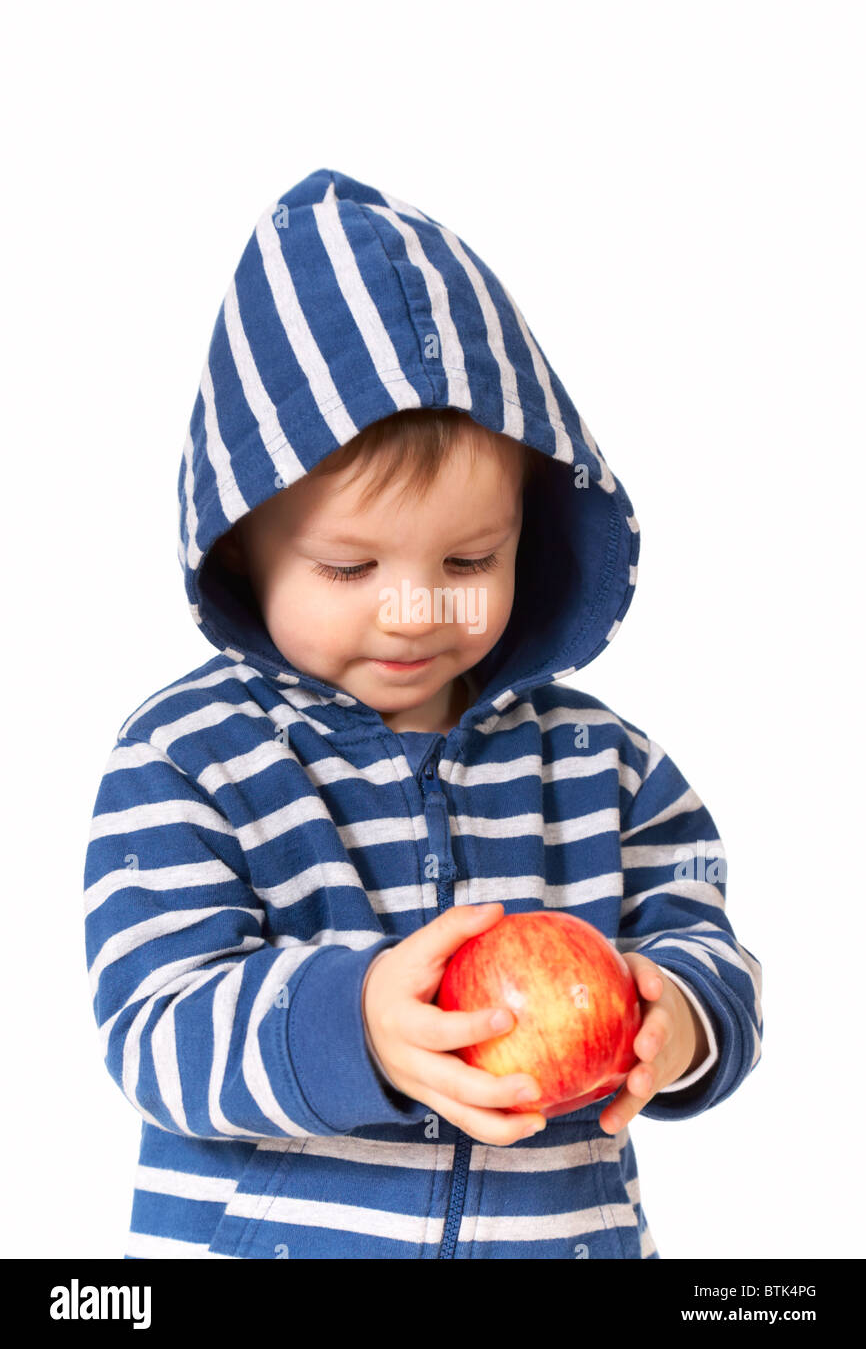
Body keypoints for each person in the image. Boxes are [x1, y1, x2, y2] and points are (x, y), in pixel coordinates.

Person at [83, 167, 762, 1260]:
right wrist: (352, 1027)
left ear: (526, 542)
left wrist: (678, 1016)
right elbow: (153, 1031)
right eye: (349, 567)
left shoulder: (606, 767)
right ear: (241, 548)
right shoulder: (190, 757)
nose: (413, 609)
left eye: (468, 559)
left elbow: (704, 940)